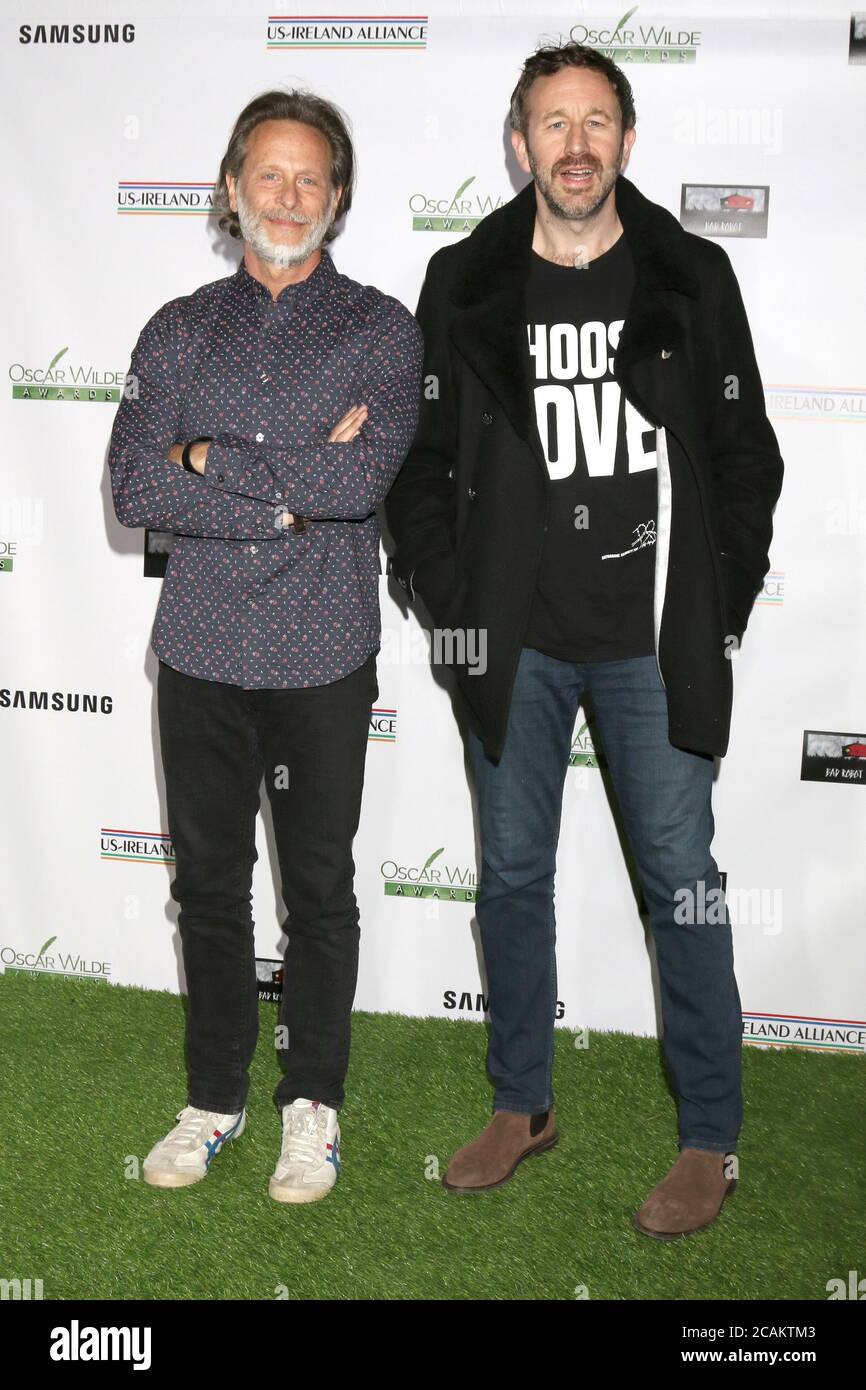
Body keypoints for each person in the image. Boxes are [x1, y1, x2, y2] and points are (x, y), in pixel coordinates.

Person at [385, 41, 783, 1237]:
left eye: (594, 121)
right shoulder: (462, 281)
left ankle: (709, 1133)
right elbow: (418, 467)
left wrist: (719, 601)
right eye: (551, 122)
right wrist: (451, 613)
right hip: (512, 646)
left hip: (651, 645)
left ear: (624, 139)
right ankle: (522, 1103)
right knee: (508, 877)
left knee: (686, 886)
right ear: (519, 141)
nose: (573, 144)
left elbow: (744, 458)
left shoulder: (689, 275)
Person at [108, 88, 422, 1204]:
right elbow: (130, 481)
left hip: (323, 657)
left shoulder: (381, 328)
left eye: (309, 179)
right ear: (232, 188)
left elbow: (362, 480)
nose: (286, 196)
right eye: (267, 175)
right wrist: (282, 492)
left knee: (320, 893)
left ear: (334, 200)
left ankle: (312, 1105)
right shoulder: (177, 327)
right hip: (198, 650)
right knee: (207, 888)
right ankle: (213, 1098)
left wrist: (211, 458)